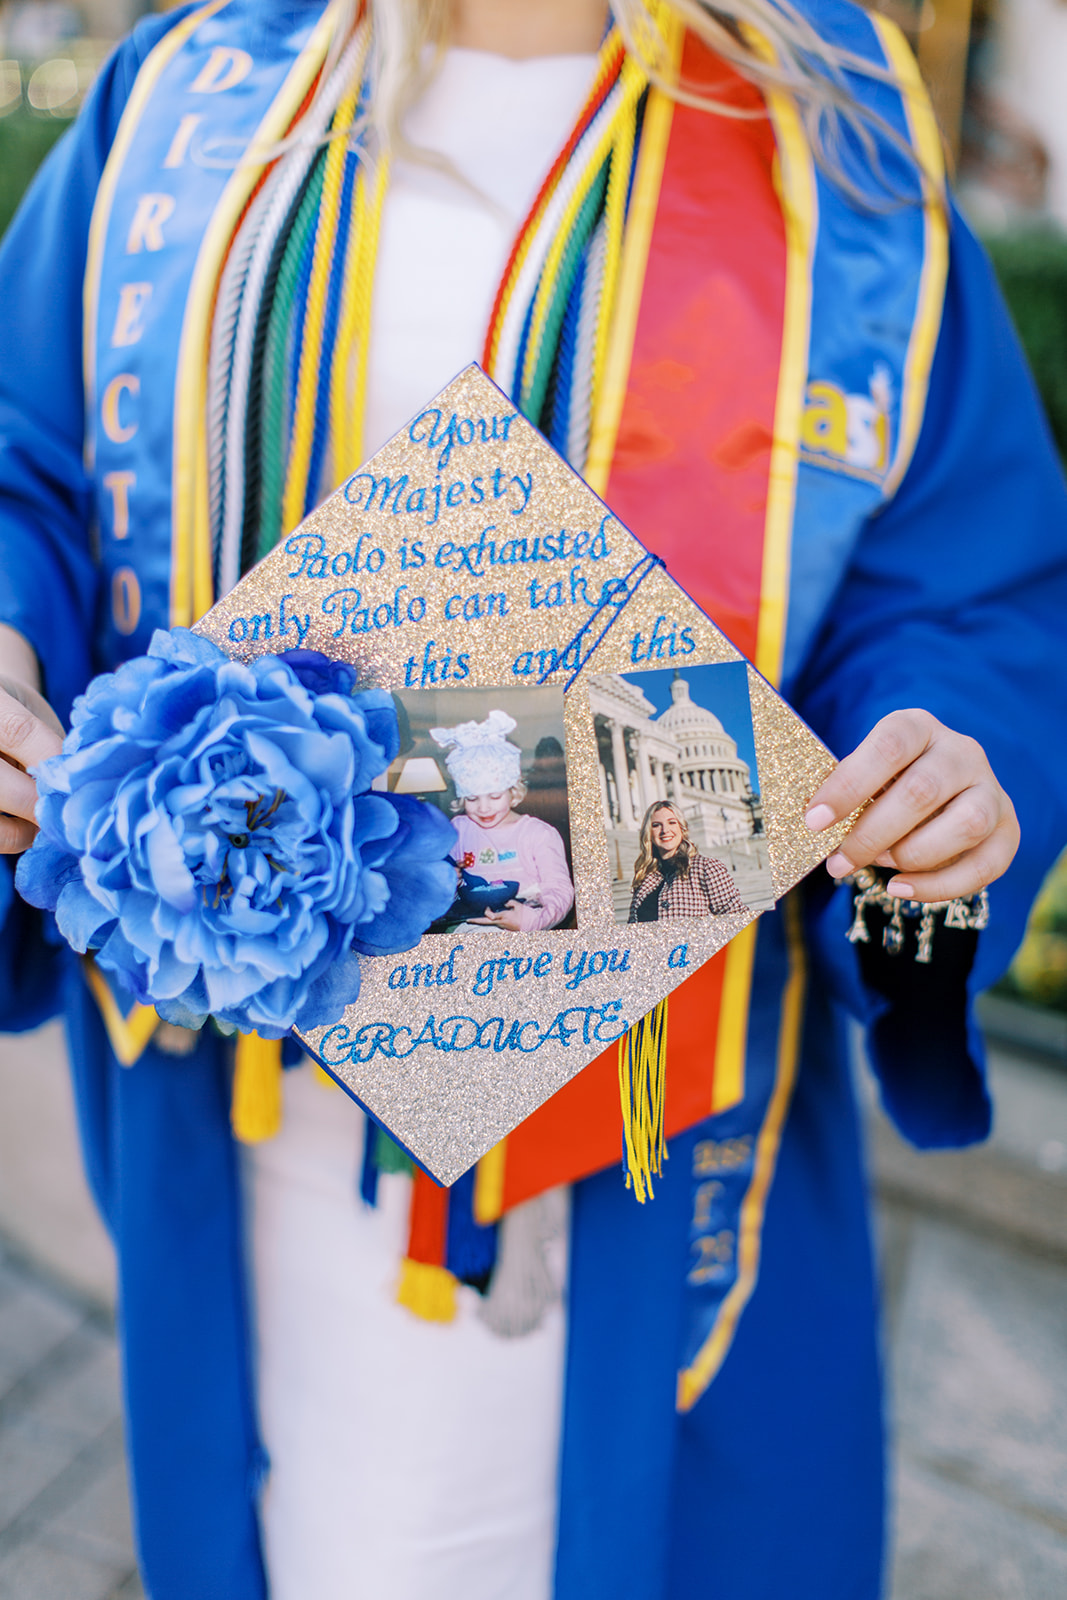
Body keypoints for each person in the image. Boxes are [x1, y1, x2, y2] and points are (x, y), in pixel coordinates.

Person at [0, 1, 1064, 1597]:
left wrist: (943, 756)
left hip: (638, 1118)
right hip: (232, 1094)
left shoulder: (832, 140)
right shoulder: (185, 86)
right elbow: (33, 465)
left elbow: (959, 591)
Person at [432, 707, 575, 930]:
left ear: (513, 792)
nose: (483, 807)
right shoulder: (458, 830)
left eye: (495, 796)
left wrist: (532, 922)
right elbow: (437, 892)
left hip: (526, 924)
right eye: (471, 798)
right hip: (467, 928)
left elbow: (559, 890)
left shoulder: (538, 834)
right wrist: (448, 880)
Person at [628, 799, 746, 921]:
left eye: (672, 822)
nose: (665, 830)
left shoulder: (706, 868)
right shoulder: (644, 877)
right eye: (656, 825)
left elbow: (738, 919)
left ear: (681, 828)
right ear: (649, 833)